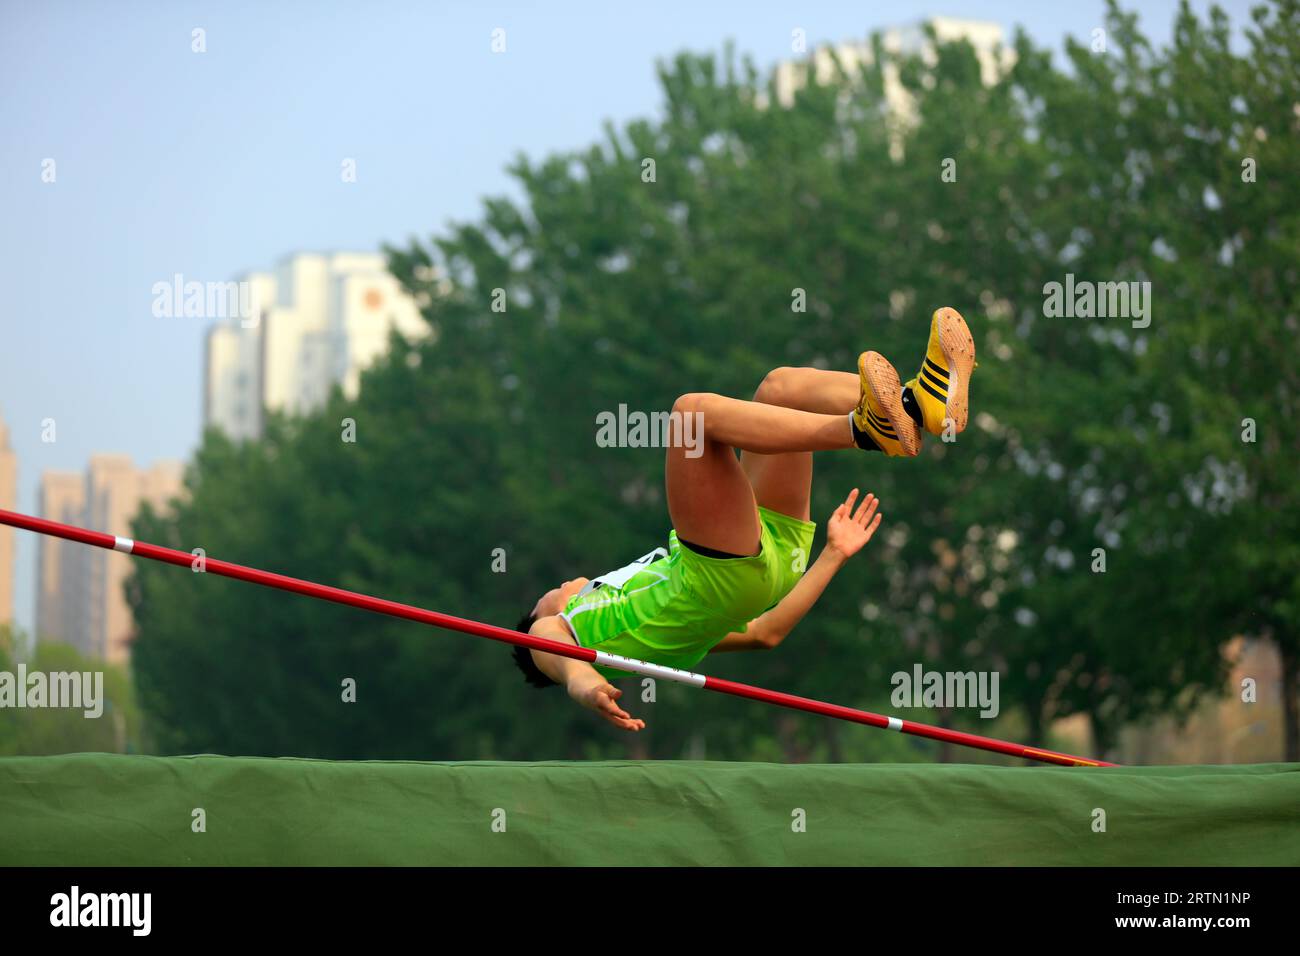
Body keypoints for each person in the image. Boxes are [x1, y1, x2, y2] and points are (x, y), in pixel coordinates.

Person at [512, 307, 976, 730]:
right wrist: (583, 684)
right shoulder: (561, 628)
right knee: (691, 417)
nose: (562, 584)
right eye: (549, 595)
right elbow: (559, 657)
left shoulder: (645, 635)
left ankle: (922, 403)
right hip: (720, 573)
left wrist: (833, 555)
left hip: (767, 561)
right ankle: (865, 430)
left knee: (783, 390)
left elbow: (764, 634)